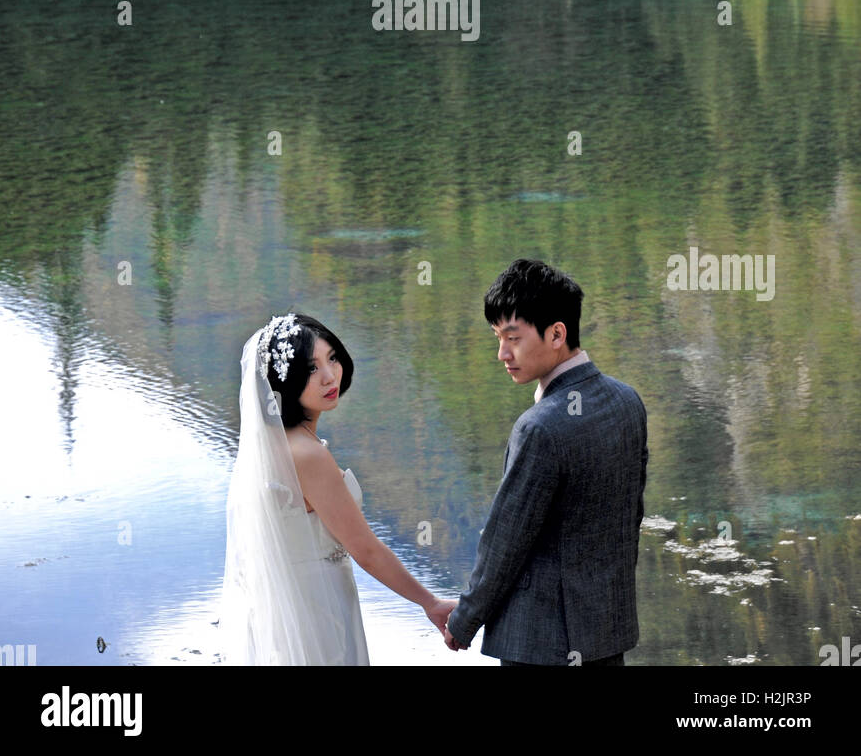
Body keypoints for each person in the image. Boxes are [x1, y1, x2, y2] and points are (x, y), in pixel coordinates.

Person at [218, 312, 454, 665]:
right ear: (284, 379)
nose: (330, 375)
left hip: (283, 610)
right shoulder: (308, 454)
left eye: (332, 358)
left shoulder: (268, 445)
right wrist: (430, 603)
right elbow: (365, 549)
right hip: (317, 611)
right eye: (311, 369)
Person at [444, 258, 648, 666]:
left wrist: (464, 620)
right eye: (497, 337)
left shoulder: (539, 428)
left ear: (557, 333)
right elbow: (631, 515)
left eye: (513, 338)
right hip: (606, 633)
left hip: (540, 644)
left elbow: (506, 540)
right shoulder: (628, 402)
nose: (502, 353)